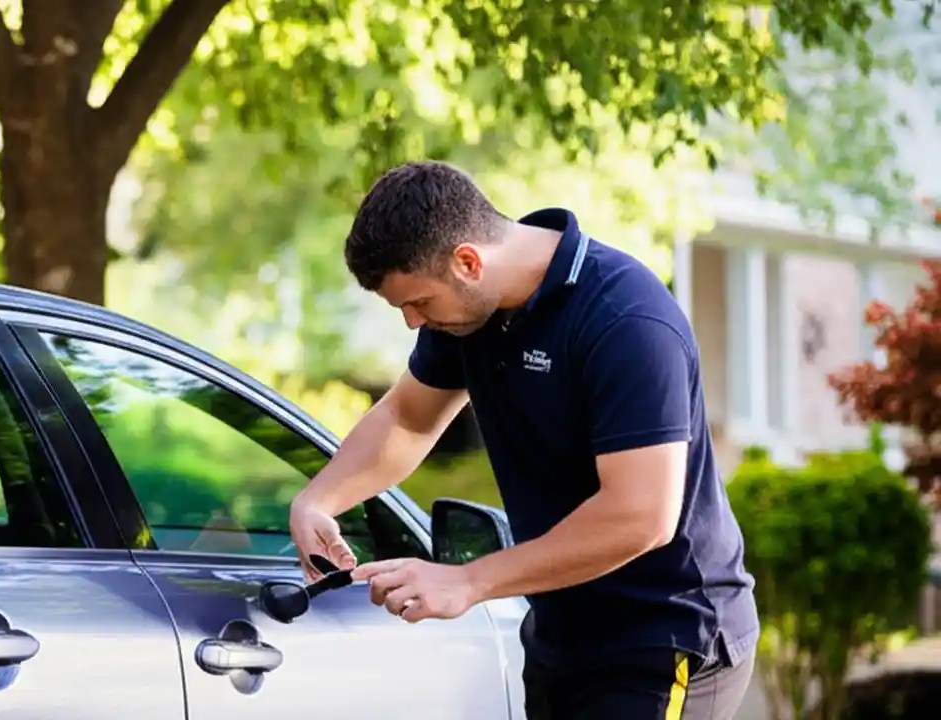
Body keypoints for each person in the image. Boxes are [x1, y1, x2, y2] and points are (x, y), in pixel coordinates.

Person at [288, 161, 758, 719]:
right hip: (560, 634)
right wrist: (318, 500)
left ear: (467, 261)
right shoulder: (467, 314)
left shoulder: (624, 318)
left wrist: (468, 582)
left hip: (664, 638)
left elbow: (641, 516)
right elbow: (408, 418)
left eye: (418, 303)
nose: (412, 323)